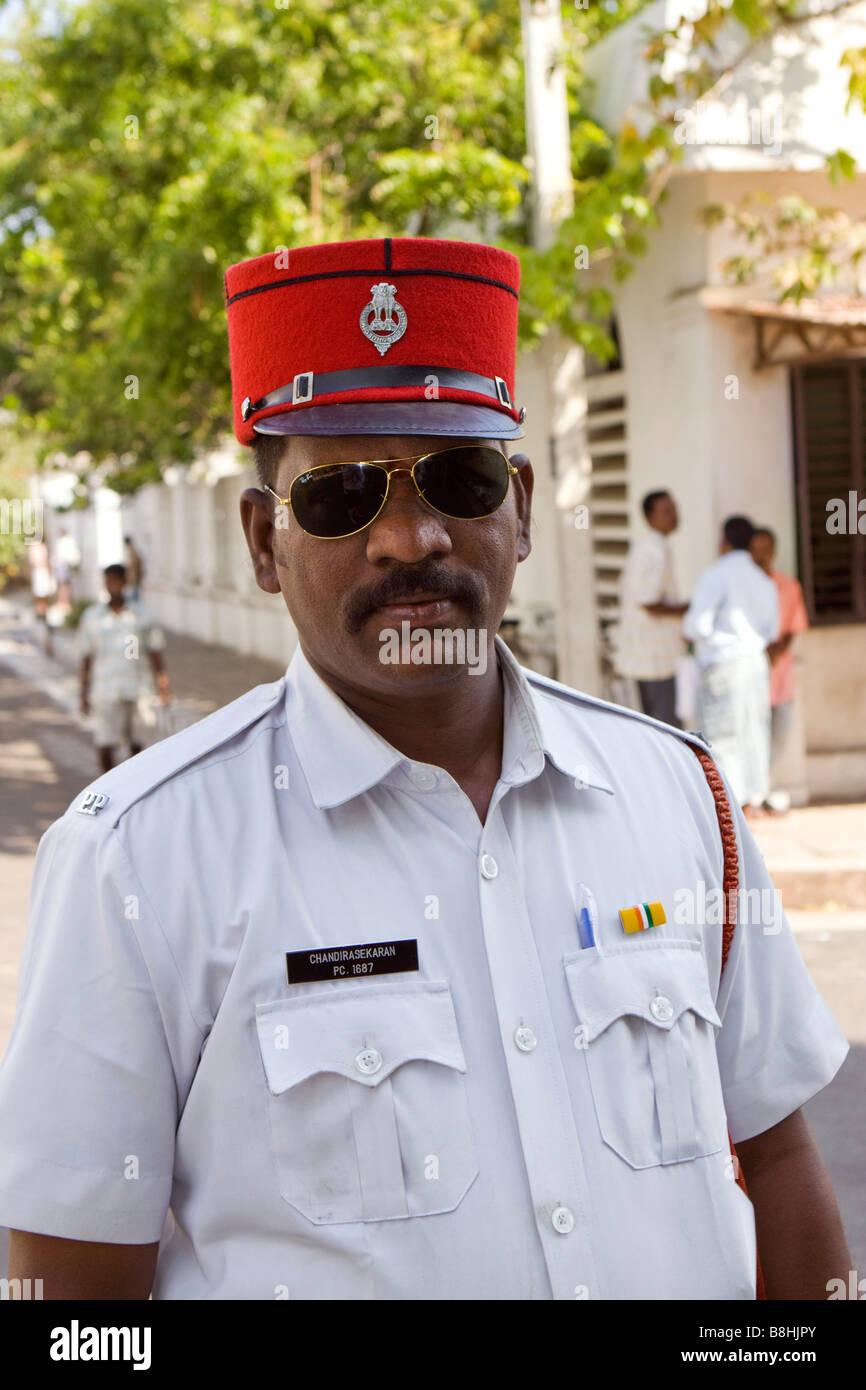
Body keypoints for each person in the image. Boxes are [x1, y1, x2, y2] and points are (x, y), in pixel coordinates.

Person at [0, 238, 849, 1301]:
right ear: (264, 542)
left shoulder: (678, 791)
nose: (408, 536)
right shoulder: (136, 855)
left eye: (457, 476)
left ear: (522, 506)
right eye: (341, 494)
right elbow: (77, 1287)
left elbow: (773, 1156)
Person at [683, 516, 780, 820]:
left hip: (724, 661)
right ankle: (754, 796)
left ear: (724, 541)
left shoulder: (716, 575)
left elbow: (696, 625)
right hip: (755, 661)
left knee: (724, 732)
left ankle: (732, 803)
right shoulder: (764, 580)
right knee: (755, 729)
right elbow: (773, 631)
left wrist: (716, 641)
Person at [77, 562, 172, 773]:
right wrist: (82, 693)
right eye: (109, 581)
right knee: (105, 743)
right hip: (105, 689)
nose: (114, 586)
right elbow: (86, 657)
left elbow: (155, 650)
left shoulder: (141, 614)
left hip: (137, 687)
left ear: (125, 582)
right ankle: (107, 790)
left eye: (117, 581)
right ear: (105, 584)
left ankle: (134, 788)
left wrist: (163, 684)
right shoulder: (92, 617)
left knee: (137, 743)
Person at [614, 489, 688, 726]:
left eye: (674, 509)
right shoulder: (655, 550)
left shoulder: (649, 546)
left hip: (649, 655)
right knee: (665, 727)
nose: (674, 515)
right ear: (649, 518)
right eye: (666, 511)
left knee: (656, 722)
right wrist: (685, 609)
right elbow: (648, 601)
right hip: (655, 657)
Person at [750, 527, 809, 812]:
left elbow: (793, 627)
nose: (761, 556)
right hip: (751, 676)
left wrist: (775, 652)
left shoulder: (788, 586)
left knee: (779, 735)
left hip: (781, 676)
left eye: (766, 549)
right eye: (756, 549)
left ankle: (763, 788)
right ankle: (753, 794)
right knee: (752, 736)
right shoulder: (744, 586)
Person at [27, 537, 55, 655]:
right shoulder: (34, 547)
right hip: (39, 573)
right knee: (40, 597)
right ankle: (41, 613)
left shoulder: (38, 547)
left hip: (41, 573)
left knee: (43, 597)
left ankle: (42, 613)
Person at [124, 535, 144, 601]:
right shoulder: (131, 551)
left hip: (134, 580)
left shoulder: (132, 552)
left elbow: (135, 566)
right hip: (133, 580)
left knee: (134, 601)